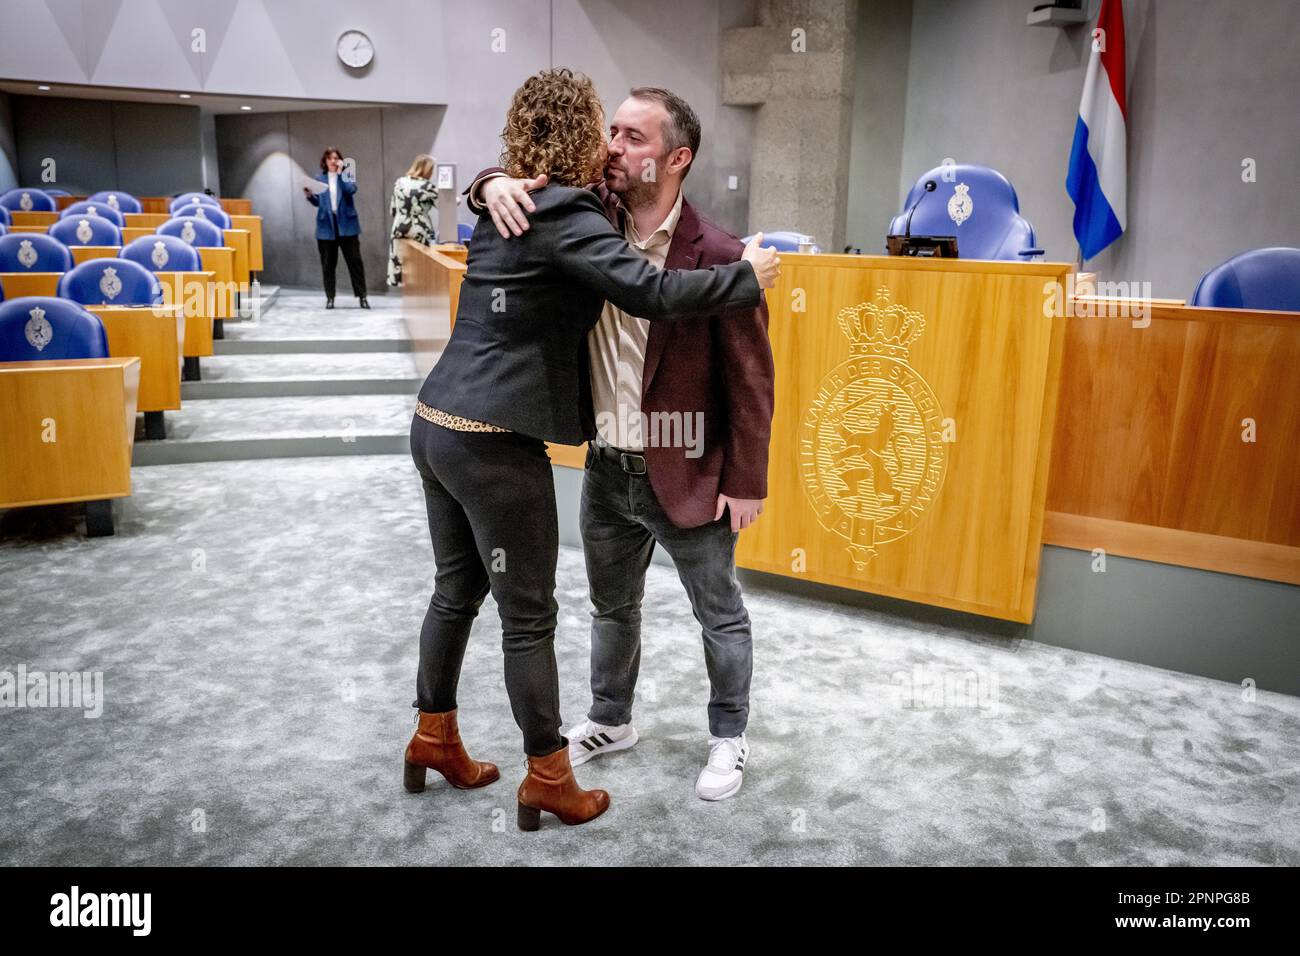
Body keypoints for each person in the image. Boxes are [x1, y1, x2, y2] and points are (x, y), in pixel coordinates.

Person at [402, 68, 780, 832]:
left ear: (675, 159)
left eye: (632, 136)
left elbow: (751, 381)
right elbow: (644, 288)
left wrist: (748, 475)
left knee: (718, 614)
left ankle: (728, 737)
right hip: (593, 463)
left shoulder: (714, 245)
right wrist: (487, 183)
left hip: (681, 462)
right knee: (591, 611)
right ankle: (583, 741)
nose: (612, 146)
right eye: (608, 130)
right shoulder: (582, 210)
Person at [303, 146, 368, 309]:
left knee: (355, 262)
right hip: (327, 225)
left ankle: (362, 297)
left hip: (347, 225)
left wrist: (341, 174)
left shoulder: (346, 175)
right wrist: (310, 196)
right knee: (328, 264)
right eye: (330, 158)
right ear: (325, 161)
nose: (333, 161)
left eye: (336, 158)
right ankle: (330, 297)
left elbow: (350, 191)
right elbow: (319, 202)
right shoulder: (319, 178)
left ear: (340, 160)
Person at [387, 154, 439, 287]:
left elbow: (392, 210)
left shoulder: (399, 182)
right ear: (426, 170)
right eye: (431, 170)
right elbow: (444, 205)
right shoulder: (427, 186)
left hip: (399, 228)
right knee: (420, 270)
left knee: (400, 264)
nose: (432, 173)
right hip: (419, 229)